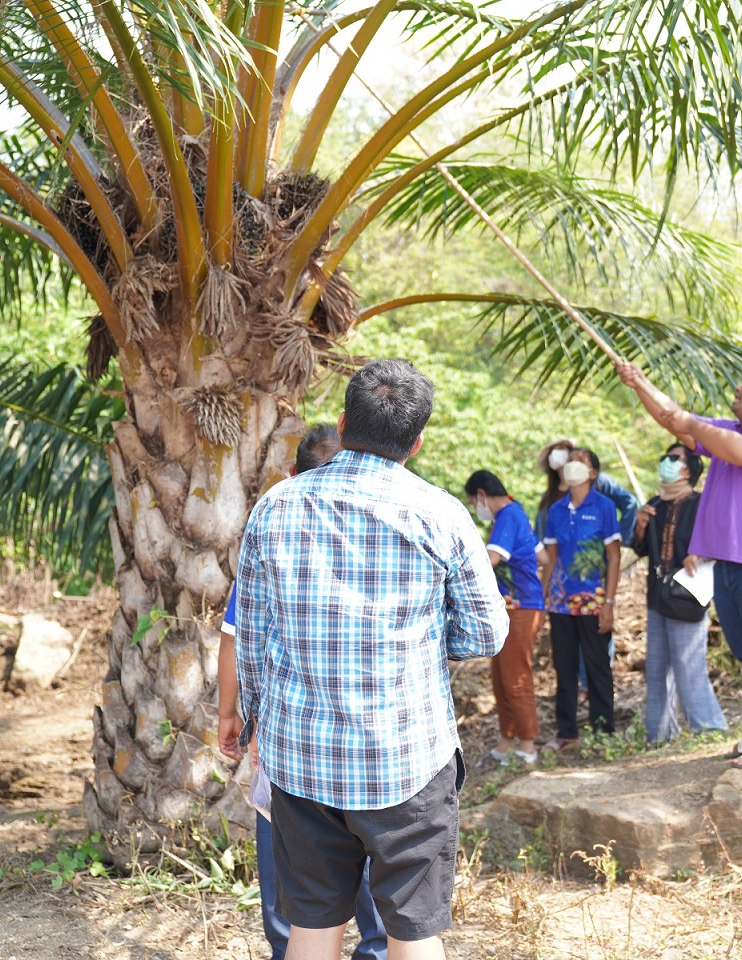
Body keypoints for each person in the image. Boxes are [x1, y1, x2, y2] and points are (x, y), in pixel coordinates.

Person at [233, 360, 507, 960]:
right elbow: (487, 632)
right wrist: (421, 648)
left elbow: (252, 637)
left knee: (311, 924)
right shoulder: (441, 513)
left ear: (342, 421)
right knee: (413, 931)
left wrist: (247, 719)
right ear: (417, 441)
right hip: (407, 757)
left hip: (301, 758)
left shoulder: (275, 509)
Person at [217, 423, 387, 960]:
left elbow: (235, 639)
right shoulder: (385, 535)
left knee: (295, 883)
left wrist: (234, 715)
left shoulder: (271, 536)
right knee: (376, 869)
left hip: (290, 745)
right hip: (376, 746)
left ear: (292, 476)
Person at [617, 362, 742, 770]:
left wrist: (689, 423)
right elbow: (675, 420)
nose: (738, 388)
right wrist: (640, 382)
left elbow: (734, 451)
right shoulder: (727, 430)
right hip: (729, 561)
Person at [631, 443, 728, 743]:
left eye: (674, 459)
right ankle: (657, 737)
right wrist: (641, 526)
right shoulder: (655, 505)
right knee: (657, 669)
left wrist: (699, 553)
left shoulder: (702, 504)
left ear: (689, 469)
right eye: (664, 458)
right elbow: (640, 549)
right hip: (658, 596)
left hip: (688, 594)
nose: (666, 463)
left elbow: (721, 543)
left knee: (688, 665)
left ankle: (710, 730)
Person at [540, 447, 622, 752]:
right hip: (560, 602)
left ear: (593, 474)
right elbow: (550, 559)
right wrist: (541, 597)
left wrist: (609, 604)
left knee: (598, 665)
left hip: (593, 600)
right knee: (564, 667)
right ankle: (567, 732)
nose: (573, 463)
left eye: (582, 460)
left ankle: (604, 732)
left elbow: (613, 557)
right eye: (571, 458)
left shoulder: (604, 506)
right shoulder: (556, 510)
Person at [464, 469, 544, 766]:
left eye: (473, 502)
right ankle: (507, 741)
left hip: (521, 607)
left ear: (482, 495)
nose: (476, 508)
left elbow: (491, 559)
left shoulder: (509, 515)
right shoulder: (514, 515)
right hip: (514, 606)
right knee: (501, 677)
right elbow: (543, 557)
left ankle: (527, 746)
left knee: (516, 676)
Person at [534, 437, 641, 544]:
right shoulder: (548, 497)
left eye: (561, 448)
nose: (557, 454)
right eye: (553, 451)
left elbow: (630, 503)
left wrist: (620, 539)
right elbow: (541, 533)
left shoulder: (598, 481)